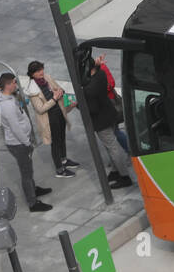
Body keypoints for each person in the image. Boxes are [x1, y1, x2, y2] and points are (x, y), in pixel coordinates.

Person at [0, 73, 53, 212]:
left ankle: (33, 189)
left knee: (28, 169)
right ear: (8, 85)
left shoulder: (7, 98)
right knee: (26, 173)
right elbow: (15, 128)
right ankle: (33, 202)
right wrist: (27, 142)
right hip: (18, 144)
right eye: (14, 82)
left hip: (19, 142)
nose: (16, 84)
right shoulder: (7, 105)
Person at [82, 53, 133, 188]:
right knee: (111, 146)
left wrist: (79, 105)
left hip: (101, 121)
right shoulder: (100, 75)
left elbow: (92, 109)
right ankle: (116, 171)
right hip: (110, 114)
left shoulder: (89, 89)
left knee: (113, 148)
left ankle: (124, 176)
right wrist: (98, 64)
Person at [25, 61, 78, 178]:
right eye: (38, 71)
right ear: (32, 74)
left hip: (59, 112)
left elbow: (58, 88)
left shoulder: (47, 78)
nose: (41, 72)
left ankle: (64, 160)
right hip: (49, 118)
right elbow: (40, 109)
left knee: (62, 137)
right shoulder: (33, 89)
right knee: (55, 142)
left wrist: (60, 91)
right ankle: (59, 169)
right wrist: (54, 99)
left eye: (42, 69)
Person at [94, 52, 127, 154]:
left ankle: (127, 150)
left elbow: (111, 84)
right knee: (113, 132)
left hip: (110, 104)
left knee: (114, 131)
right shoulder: (95, 70)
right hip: (104, 105)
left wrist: (99, 89)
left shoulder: (101, 69)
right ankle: (124, 151)